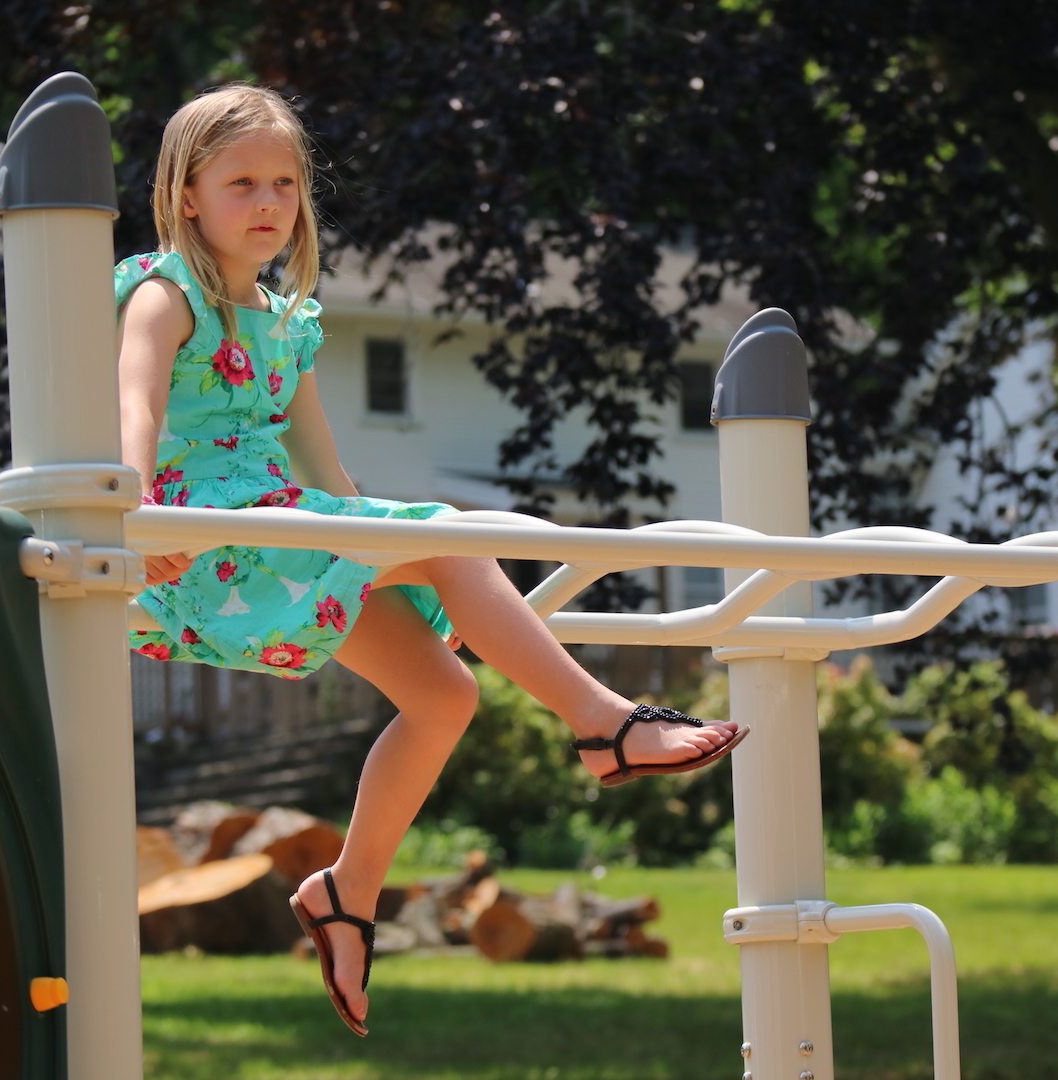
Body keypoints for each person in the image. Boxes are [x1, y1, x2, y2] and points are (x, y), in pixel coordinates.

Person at [117, 86, 745, 1035]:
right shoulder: (165, 296)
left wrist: (377, 540)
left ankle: (346, 894)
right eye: (240, 181)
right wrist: (134, 517)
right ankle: (604, 724)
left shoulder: (291, 322)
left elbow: (328, 472)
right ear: (187, 195)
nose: (268, 202)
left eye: (284, 182)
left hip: (285, 537)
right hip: (198, 544)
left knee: (447, 695)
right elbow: (136, 410)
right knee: (448, 531)